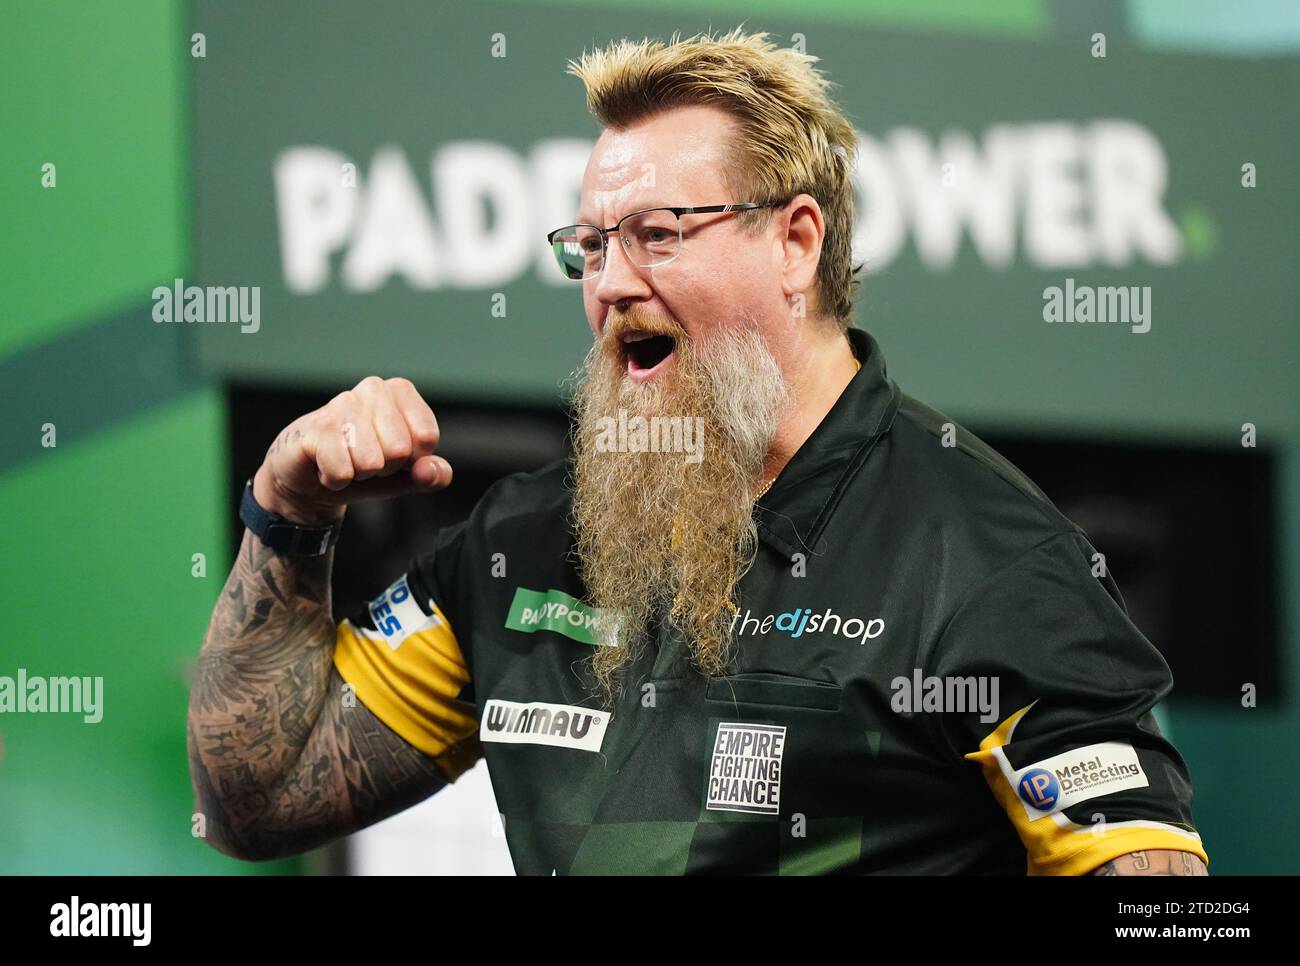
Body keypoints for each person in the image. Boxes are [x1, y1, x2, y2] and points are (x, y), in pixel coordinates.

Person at [188, 28, 1208, 875]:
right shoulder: (526, 543)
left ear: (795, 243)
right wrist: (287, 516)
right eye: (588, 247)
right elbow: (259, 800)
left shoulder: (984, 560)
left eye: (658, 235)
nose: (609, 284)